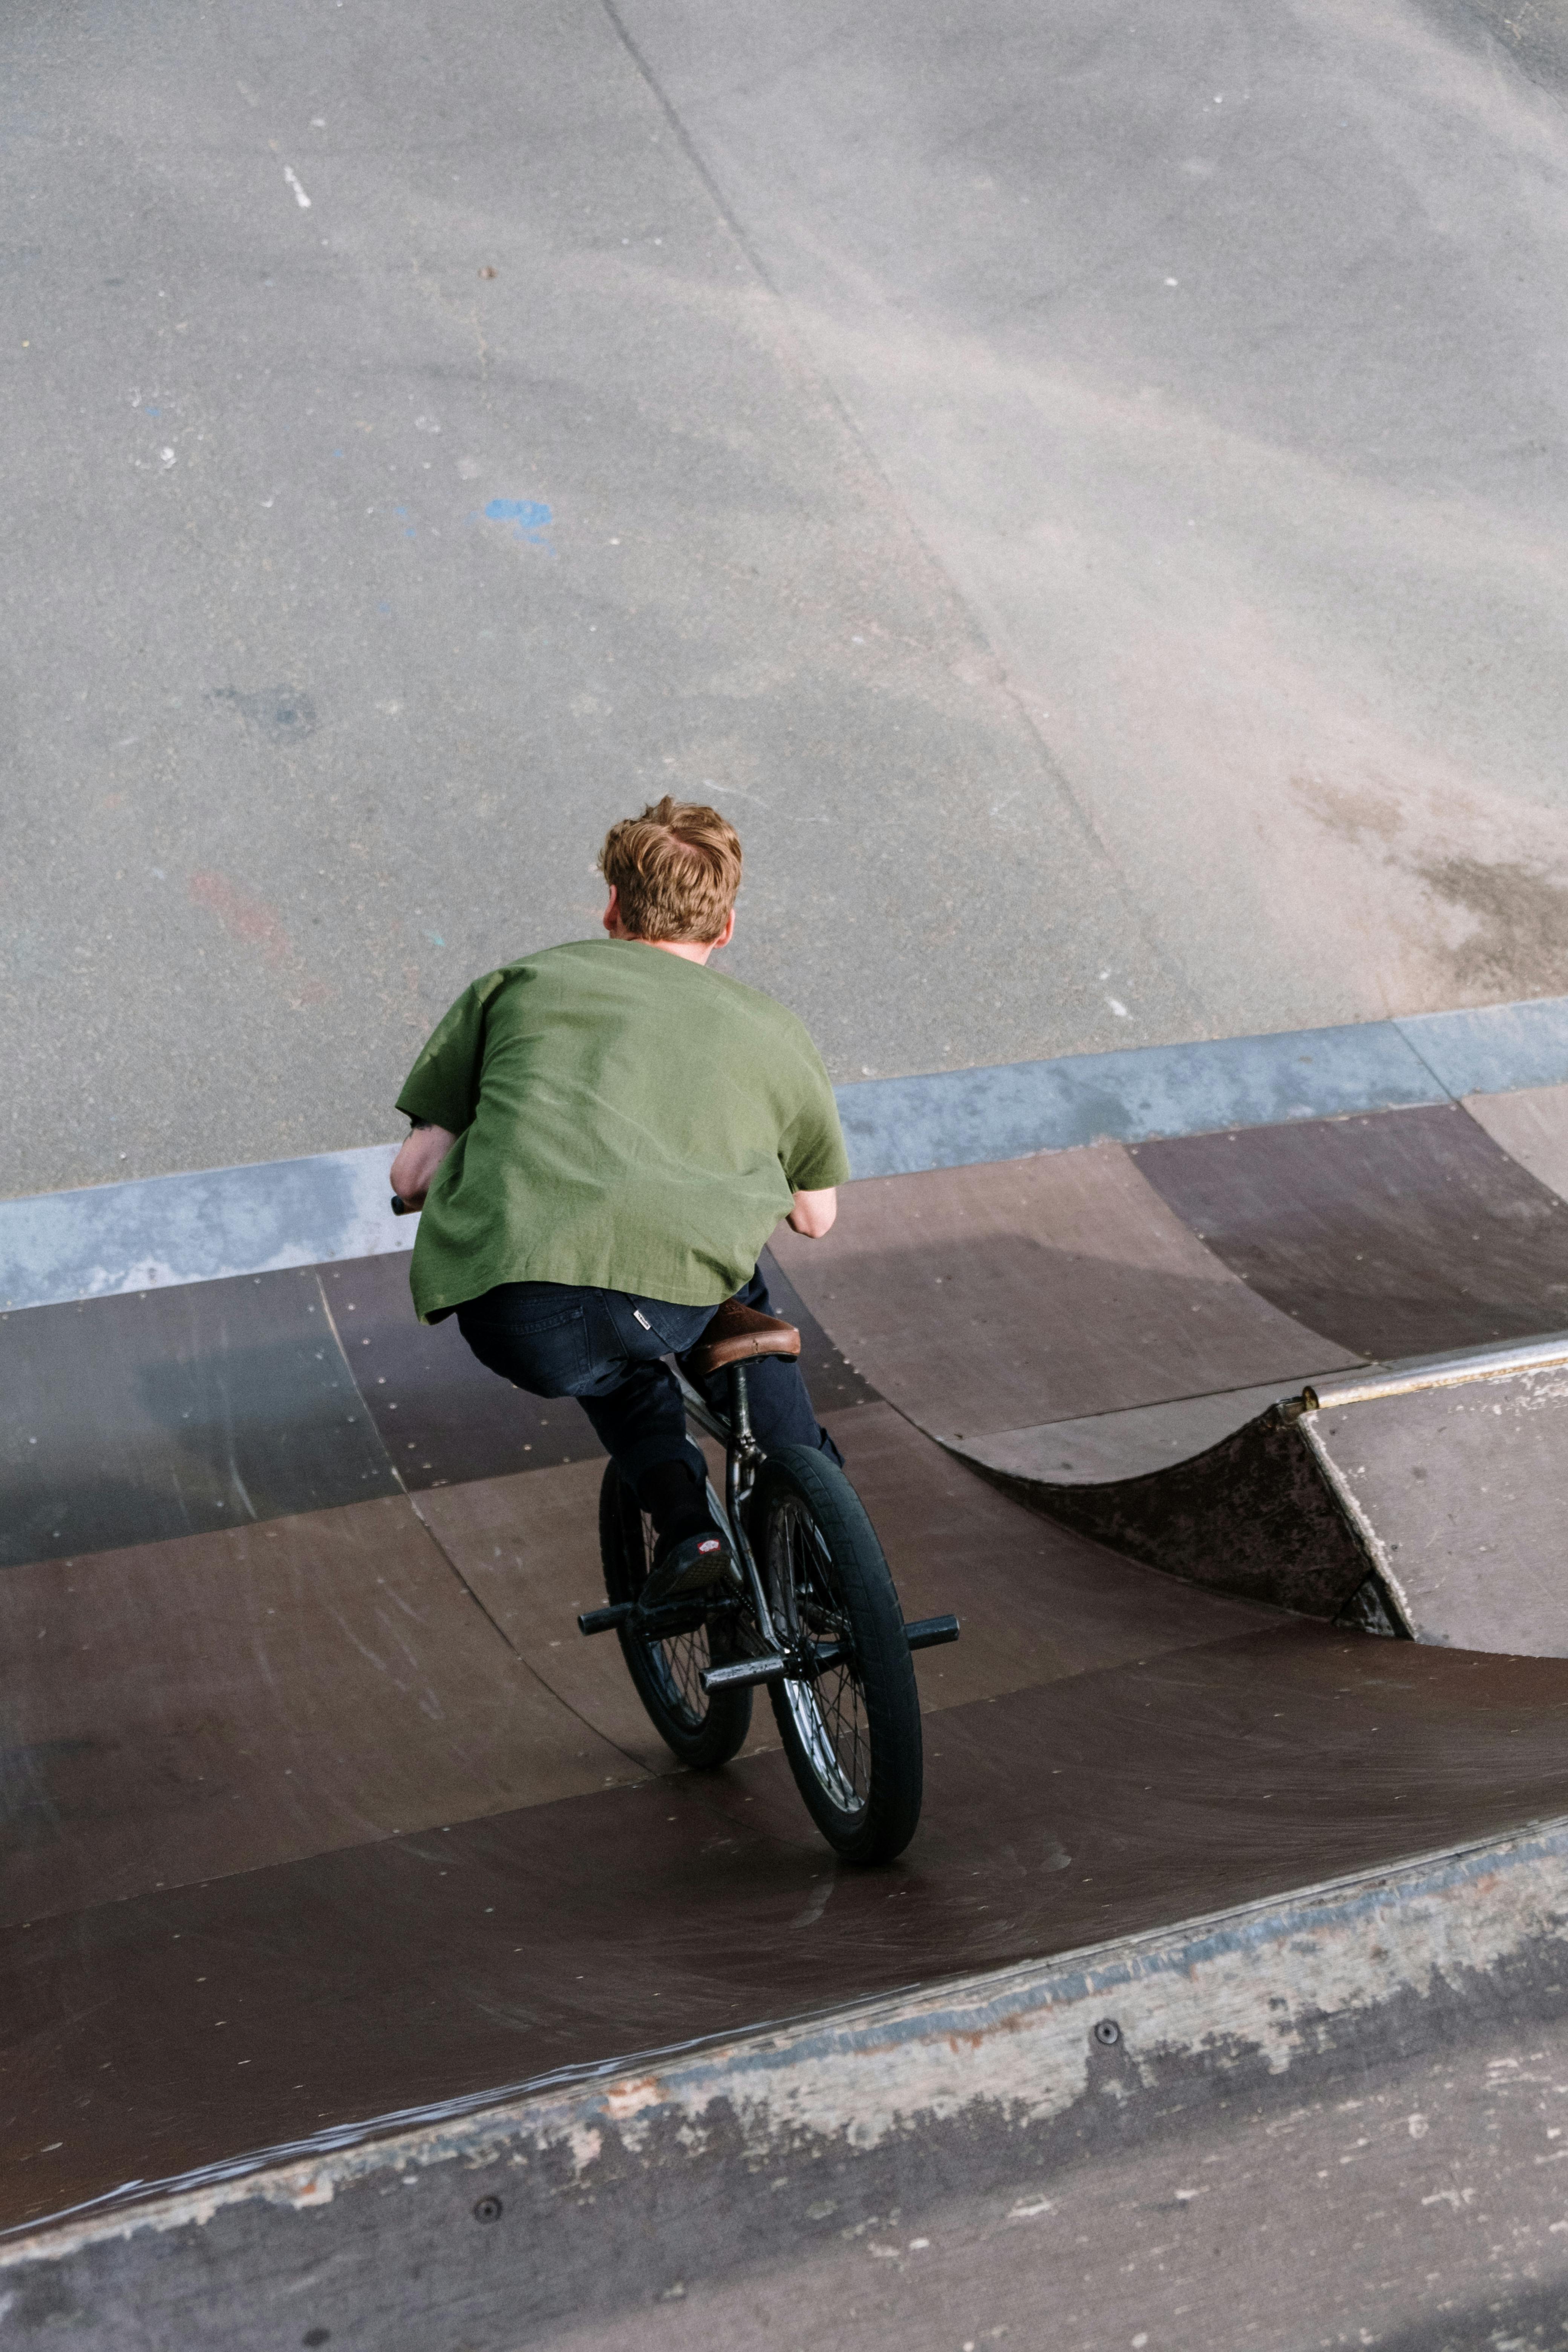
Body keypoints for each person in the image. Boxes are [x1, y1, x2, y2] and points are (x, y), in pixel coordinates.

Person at [389, 797, 850, 1605]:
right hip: (668, 1295)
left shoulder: (516, 986)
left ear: (611, 907)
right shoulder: (771, 1031)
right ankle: (817, 1530)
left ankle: (687, 1526)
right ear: (727, 926)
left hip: (517, 1311)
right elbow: (815, 1218)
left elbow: (411, 1178)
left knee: (612, 1371)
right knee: (734, 1280)